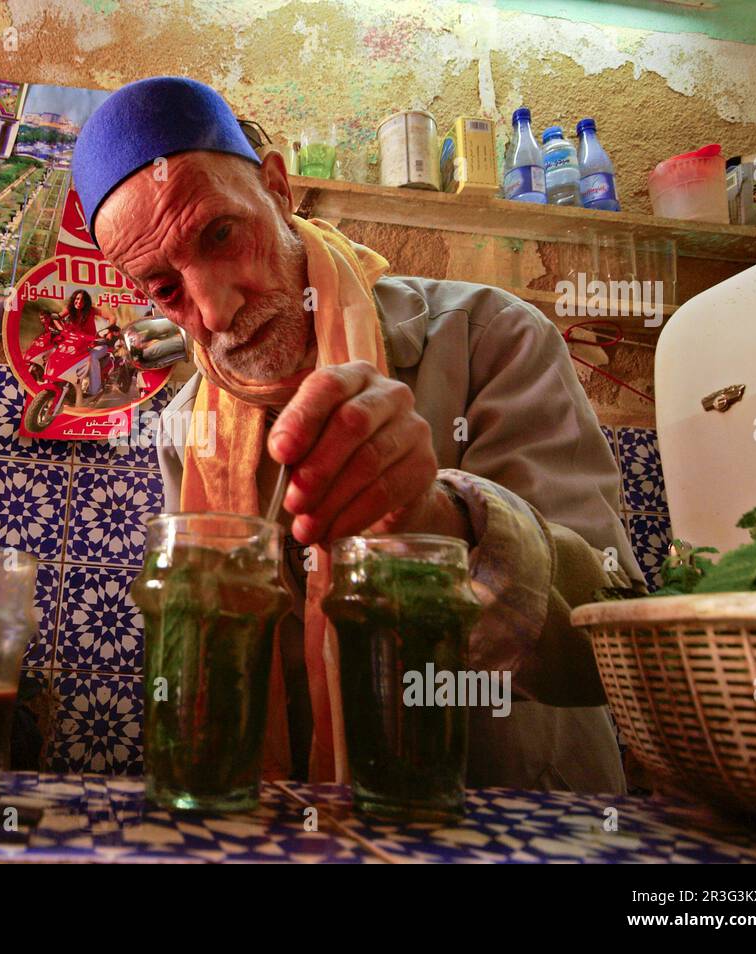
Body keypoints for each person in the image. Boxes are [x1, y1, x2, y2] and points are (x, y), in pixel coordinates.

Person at [71, 76, 643, 792]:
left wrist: (438, 522)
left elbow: (613, 645)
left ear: (278, 188)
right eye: (165, 288)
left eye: (220, 233)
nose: (213, 309)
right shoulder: (187, 426)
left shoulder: (488, 337)